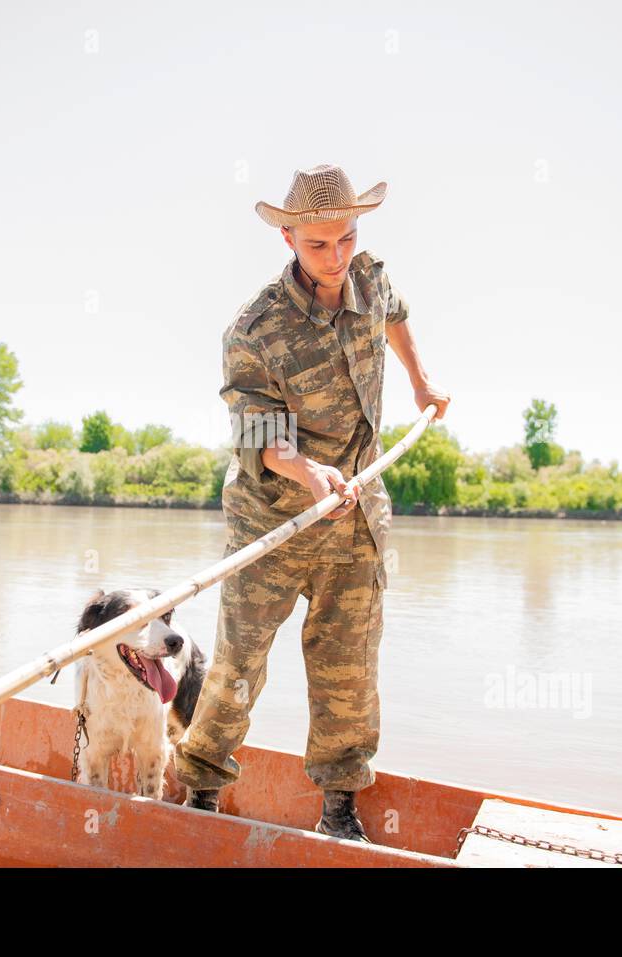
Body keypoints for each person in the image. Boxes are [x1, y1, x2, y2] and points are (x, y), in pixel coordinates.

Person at [172, 164, 451, 842]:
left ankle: (338, 809)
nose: (337, 258)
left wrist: (421, 383)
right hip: (273, 517)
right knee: (238, 662)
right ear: (289, 239)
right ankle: (202, 790)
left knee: (348, 670)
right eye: (319, 245)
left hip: (356, 518)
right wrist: (309, 472)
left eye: (347, 239)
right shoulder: (255, 330)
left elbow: (398, 318)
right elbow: (259, 433)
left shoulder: (372, 278)